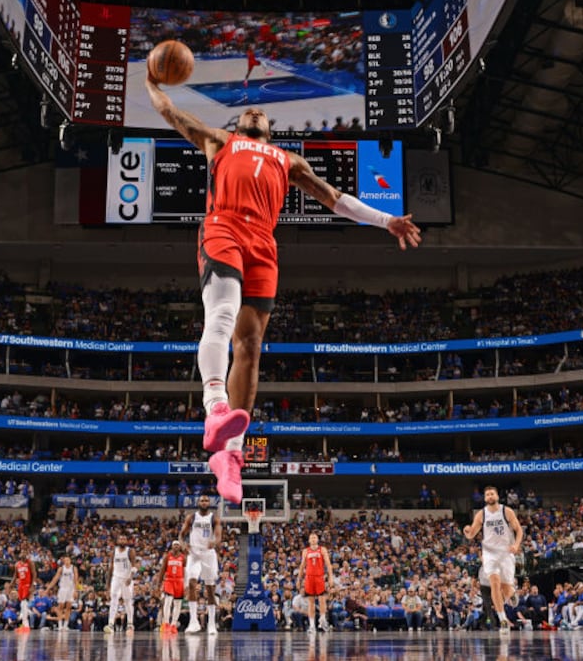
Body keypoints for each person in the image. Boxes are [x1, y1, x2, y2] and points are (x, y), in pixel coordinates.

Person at [147, 77, 421, 503]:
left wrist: (387, 221)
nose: (255, 111)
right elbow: (171, 113)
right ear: (238, 124)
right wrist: (151, 81)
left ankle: (230, 457)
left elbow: (335, 198)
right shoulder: (220, 141)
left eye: (262, 113)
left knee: (252, 345)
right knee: (222, 312)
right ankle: (215, 405)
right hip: (224, 226)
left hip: (264, 242)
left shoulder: (287, 160)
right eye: (247, 112)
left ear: (271, 129)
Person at [463, 485, 524, 633]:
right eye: (487, 495)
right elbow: (471, 535)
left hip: (506, 552)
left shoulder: (506, 511)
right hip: (489, 553)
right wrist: (467, 531)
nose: (490, 496)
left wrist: (516, 544)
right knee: (494, 582)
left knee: (505, 586)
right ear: (485, 499)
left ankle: (511, 593)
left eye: (492, 494)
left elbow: (519, 530)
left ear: (497, 496)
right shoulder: (481, 514)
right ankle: (502, 619)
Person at [180, 494, 223, 633]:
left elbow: (218, 536)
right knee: (192, 584)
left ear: (209, 503)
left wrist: (214, 542)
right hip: (194, 553)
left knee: (210, 589)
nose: (204, 502)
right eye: (202, 500)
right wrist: (183, 544)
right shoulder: (191, 517)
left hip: (208, 553)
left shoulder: (214, 518)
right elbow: (181, 535)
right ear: (198, 502)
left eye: (206, 500)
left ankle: (211, 623)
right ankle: (193, 622)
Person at [298, 532, 334, 632]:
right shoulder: (305, 551)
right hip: (309, 578)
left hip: (319, 577)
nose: (313, 539)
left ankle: (322, 620)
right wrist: (299, 579)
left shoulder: (322, 549)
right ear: (309, 540)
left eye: (315, 537)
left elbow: (328, 564)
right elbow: (302, 566)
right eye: (311, 537)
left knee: (322, 600)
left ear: (317, 539)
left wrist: (331, 577)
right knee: (311, 602)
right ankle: (312, 625)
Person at [155, 540, 188, 634]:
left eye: (178, 545)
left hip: (179, 581)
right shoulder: (167, 556)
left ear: (180, 547)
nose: (176, 546)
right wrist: (159, 584)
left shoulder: (183, 558)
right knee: (168, 602)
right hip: (169, 580)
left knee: (178, 604)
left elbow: (186, 572)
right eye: (175, 545)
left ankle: (173, 625)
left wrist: (186, 586)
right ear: (172, 547)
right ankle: (166, 623)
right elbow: (162, 570)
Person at [105, 535, 134, 633]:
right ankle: (111, 624)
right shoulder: (114, 551)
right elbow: (111, 568)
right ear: (117, 540)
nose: (122, 540)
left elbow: (134, 566)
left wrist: (131, 576)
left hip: (126, 578)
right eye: (120, 539)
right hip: (116, 577)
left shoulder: (130, 551)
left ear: (127, 541)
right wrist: (107, 584)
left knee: (127, 601)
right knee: (114, 599)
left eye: (124, 539)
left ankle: (130, 624)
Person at [45, 555, 78, 630]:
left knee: (68, 607)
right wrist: (48, 588)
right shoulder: (61, 569)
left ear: (70, 561)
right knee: (60, 607)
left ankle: (65, 625)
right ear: (63, 561)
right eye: (65, 560)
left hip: (71, 589)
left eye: (68, 560)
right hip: (63, 588)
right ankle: (60, 625)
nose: (66, 562)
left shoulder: (74, 568)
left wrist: (76, 590)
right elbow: (55, 579)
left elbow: (76, 580)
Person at [11, 551, 34, 634]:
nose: (23, 554)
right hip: (20, 585)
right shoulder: (17, 564)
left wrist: (32, 585)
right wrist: (11, 584)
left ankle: (26, 625)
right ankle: (24, 624)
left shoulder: (30, 562)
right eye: (21, 553)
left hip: (27, 584)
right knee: (22, 603)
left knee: (24, 602)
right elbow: (15, 575)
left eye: (24, 553)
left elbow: (34, 574)